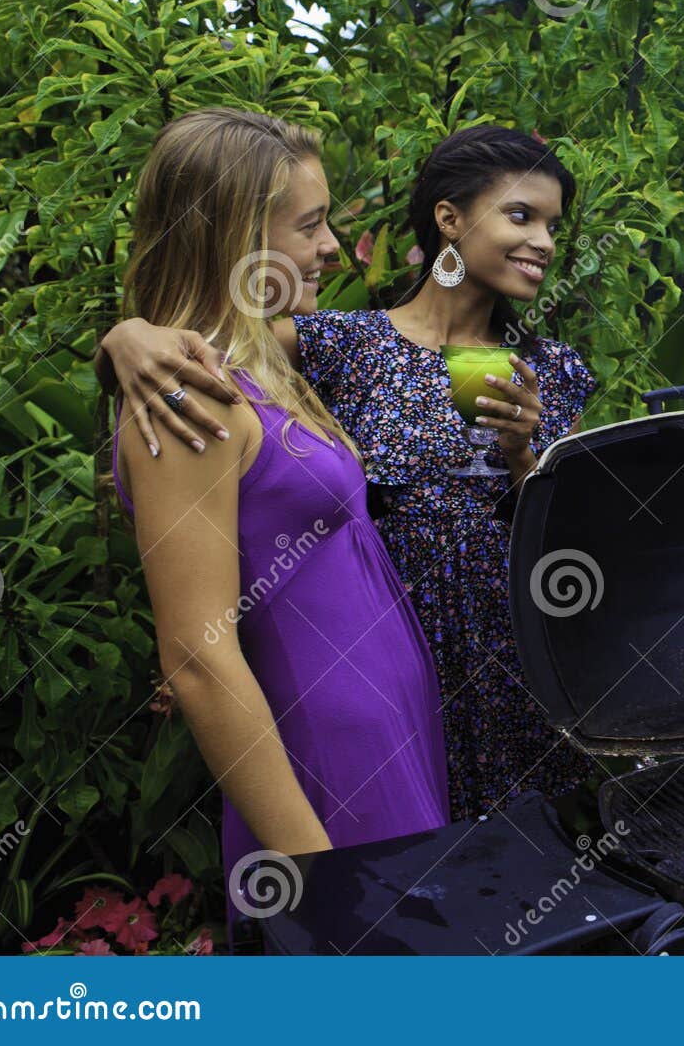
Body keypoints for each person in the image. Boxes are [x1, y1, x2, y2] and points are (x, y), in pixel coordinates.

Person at [99, 125, 598, 821]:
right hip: (373, 667)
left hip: (511, 669)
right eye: (522, 215)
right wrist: (127, 337)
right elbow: (213, 344)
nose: (544, 240)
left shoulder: (551, 369)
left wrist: (523, 455)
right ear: (450, 219)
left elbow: (575, 546)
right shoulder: (348, 344)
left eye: (552, 224)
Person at [110, 108, 448, 901]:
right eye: (311, 224)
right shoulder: (189, 400)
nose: (332, 246)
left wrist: (118, 334)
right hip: (320, 759)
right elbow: (196, 660)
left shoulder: (259, 364)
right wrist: (313, 868)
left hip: (384, 731)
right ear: (234, 239)